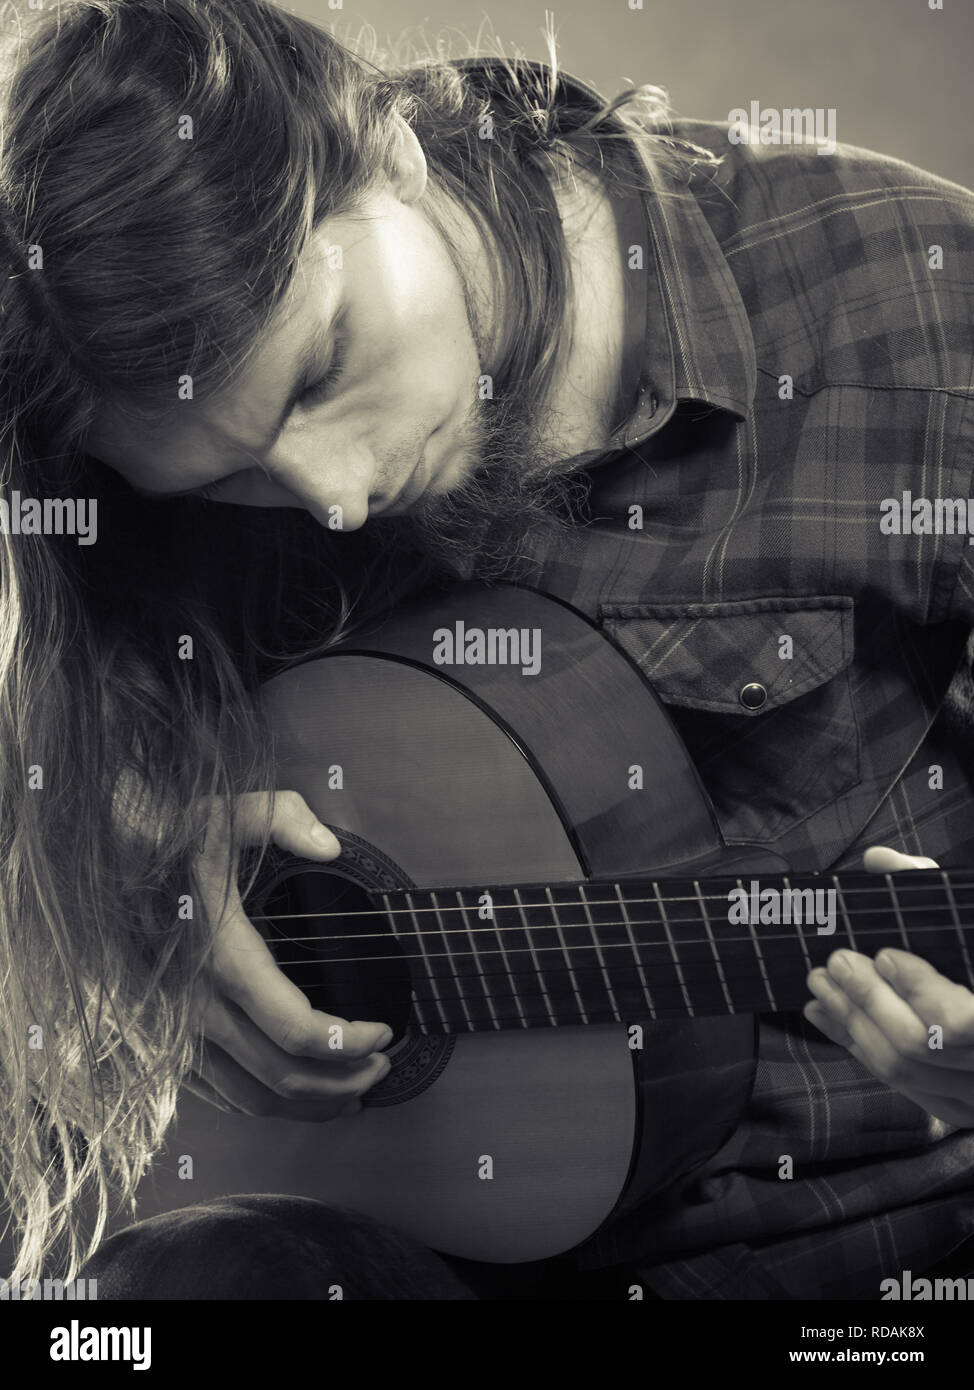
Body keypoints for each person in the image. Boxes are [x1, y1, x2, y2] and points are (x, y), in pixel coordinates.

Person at [1, 0, 973, 1299]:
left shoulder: (911, 310)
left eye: (315, 373)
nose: (335, 495)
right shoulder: (130, 483)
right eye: (234, 478)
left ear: (386, 148)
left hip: (864, 1253)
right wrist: (129, 872)